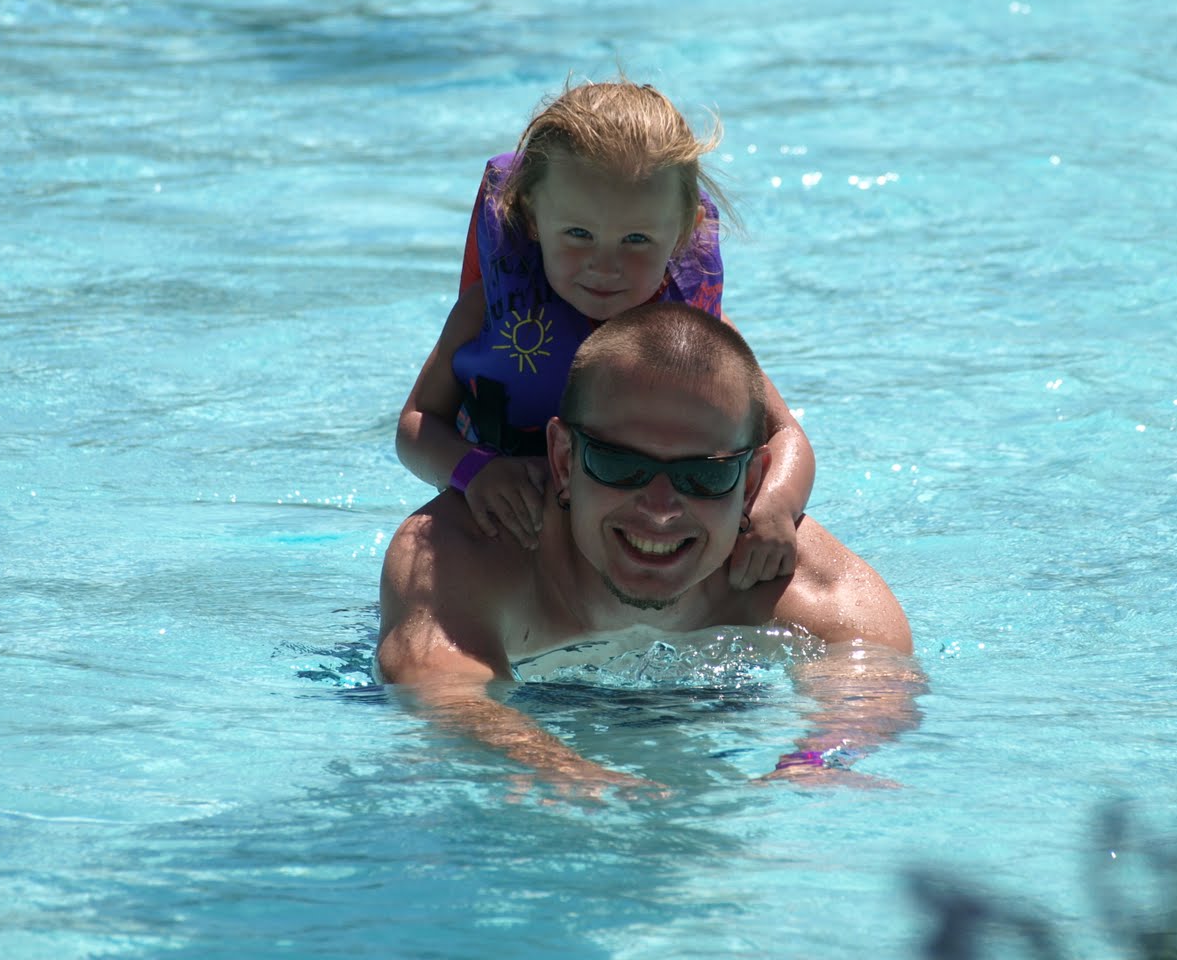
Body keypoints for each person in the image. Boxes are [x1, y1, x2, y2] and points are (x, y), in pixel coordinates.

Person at [379, 303, 917, 794]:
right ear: (564, 460)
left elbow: (879, 683)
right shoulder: (463, 552)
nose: (660, 508)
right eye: (620, 465)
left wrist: (812, 762)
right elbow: (438, 689)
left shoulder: (796, 577)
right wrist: (563, 770)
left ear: (752, 482)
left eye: (703, 476)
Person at [396, 80, 815, 589]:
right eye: (578, 235)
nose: (605, 265)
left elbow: (787, 436)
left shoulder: (693, 337)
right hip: (514, 529)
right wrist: (474, 470)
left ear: (681, 232)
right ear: (532, 217)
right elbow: (415, 426)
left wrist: (776, 503)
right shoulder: (486, 311)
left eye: (636, 239)